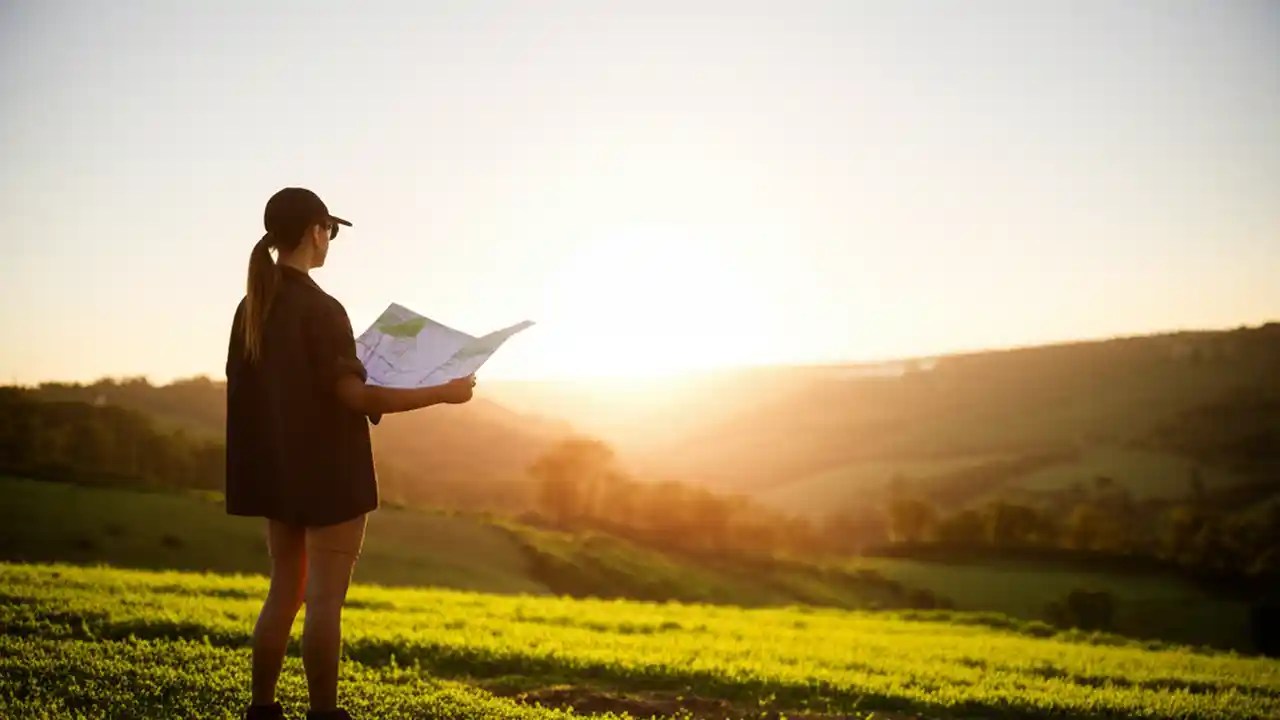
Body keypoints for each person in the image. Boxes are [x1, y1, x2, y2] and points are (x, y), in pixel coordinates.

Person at [226, 187, 476, 720]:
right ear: (315, 232)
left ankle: (262, 710)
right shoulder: (322, 308)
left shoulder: (253, 306)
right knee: (323, 603)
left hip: (278, 472)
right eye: (330, 231)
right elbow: (353, 396)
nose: (330, 242)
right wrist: (443, 392)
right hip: (330, 475)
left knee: (282, 595)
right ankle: (325, 714)